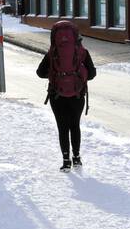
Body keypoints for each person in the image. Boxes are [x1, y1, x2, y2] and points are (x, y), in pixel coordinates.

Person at [36, 20, 96, 172]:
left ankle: (66, 161)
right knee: (74, 125)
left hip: (57, 95)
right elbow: (92, 74)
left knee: (62, 127)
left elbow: (40, 72)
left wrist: (55, 75)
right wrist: (78, 77)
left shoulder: (52, 53)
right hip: (77, 94)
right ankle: (76, 158)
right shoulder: (83, 52)